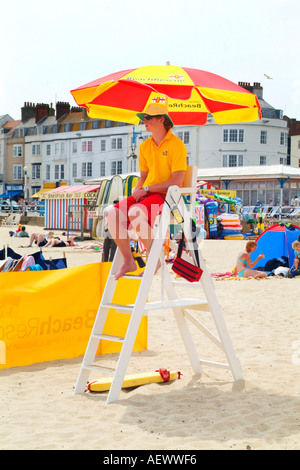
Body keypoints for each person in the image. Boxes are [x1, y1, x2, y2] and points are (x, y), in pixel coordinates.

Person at [107, 101, 187, 280]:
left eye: (148, 117)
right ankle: (128, 261)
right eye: (144, 118)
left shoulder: (177, 145)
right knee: (112, 214)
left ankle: (154, 258)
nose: (145, 120)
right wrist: (138, 189)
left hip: (166, 196)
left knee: (135, 212)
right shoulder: (145, 146)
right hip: (147, 193)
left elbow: (177, 181)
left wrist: (147, 188)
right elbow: (143, 176)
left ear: (162, 119)